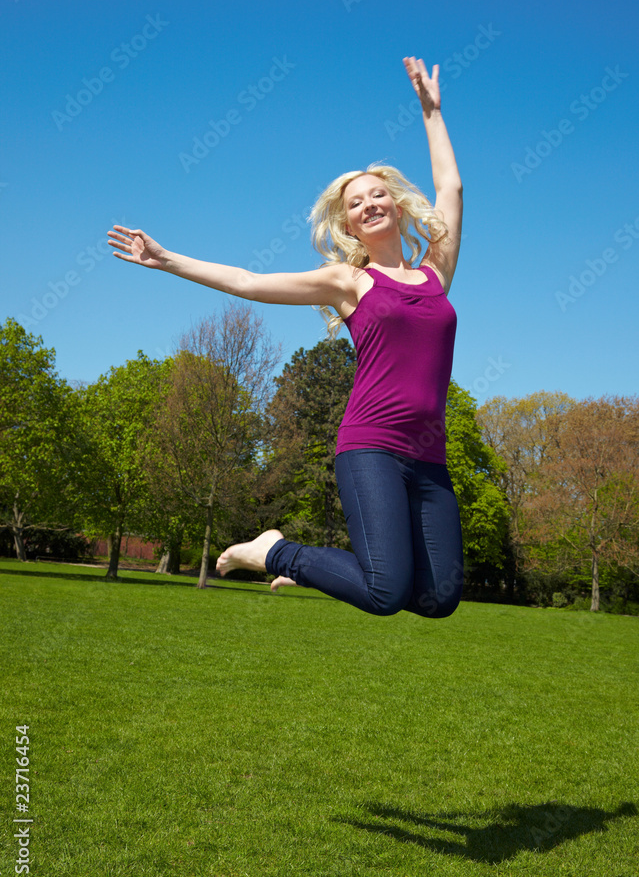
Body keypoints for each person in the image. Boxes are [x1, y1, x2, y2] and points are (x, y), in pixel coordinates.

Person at [107, 55, 464, 618]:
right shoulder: (350, 282)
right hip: (371, 445)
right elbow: (250, 282)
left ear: (396, 204)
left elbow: (451, 185)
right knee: (385, 593)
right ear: (348, 225)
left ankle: (316, 569)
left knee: (438, 599)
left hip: (429, 456)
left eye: (377, 195)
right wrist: (168, 259)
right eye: (355, 203)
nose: (369, 204)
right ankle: (276, 550)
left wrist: (431, 111)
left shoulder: (434, 274)